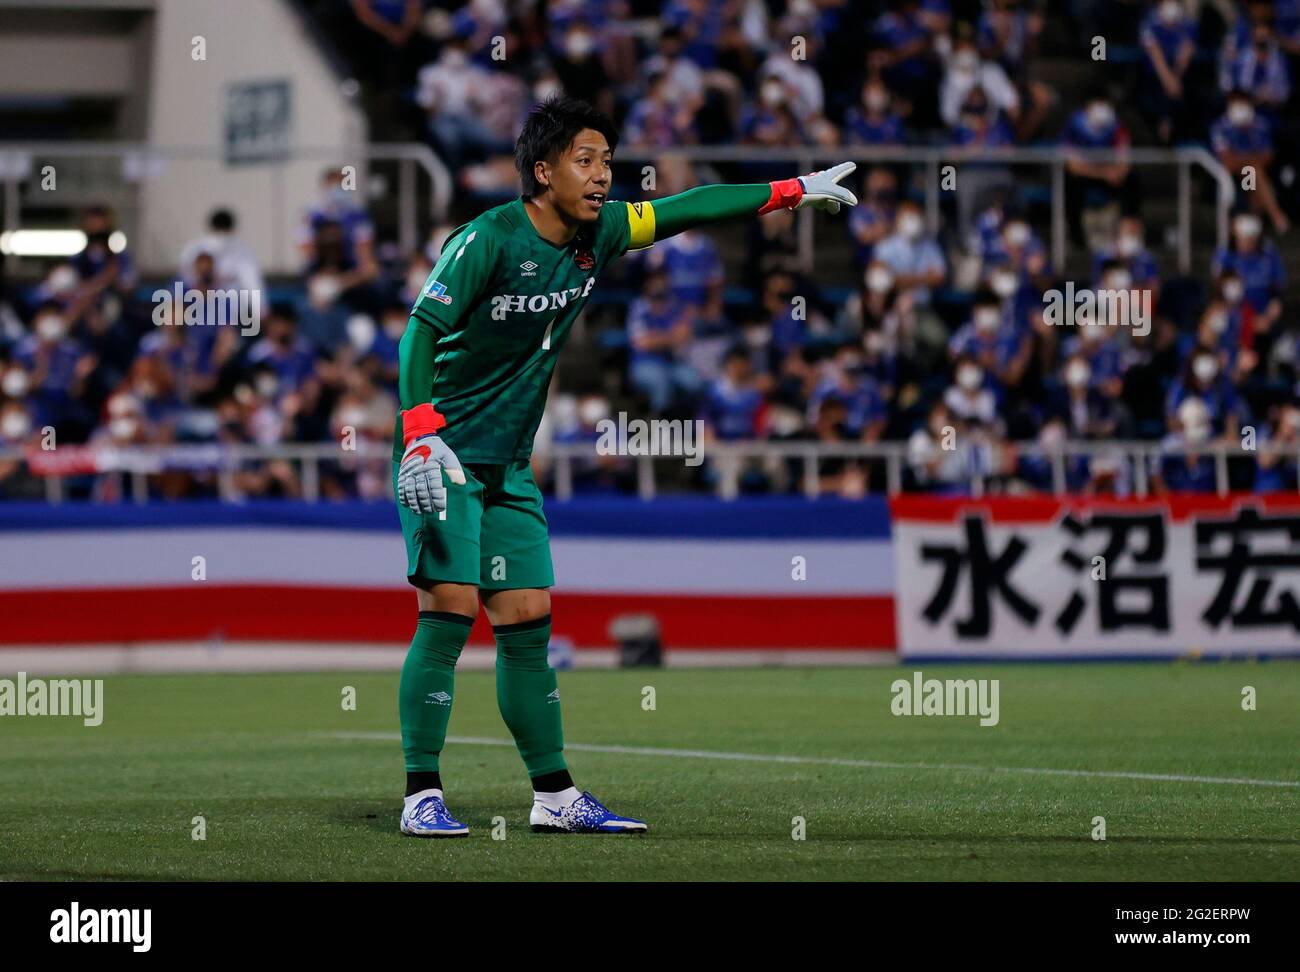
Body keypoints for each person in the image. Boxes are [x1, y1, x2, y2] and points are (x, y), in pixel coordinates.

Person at [391, 96, 858, 837]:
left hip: (508, 466)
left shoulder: (600, 232)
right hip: (441, 455)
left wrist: (791, 189)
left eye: (607, 160)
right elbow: (419, 332)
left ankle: (552, 797)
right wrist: (419, 430)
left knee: (527, 620)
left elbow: (689, 207)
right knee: (448, 611)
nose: (605, 175)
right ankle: (421, 794)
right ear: (542, 172)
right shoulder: (488, 239)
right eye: (586, 160)